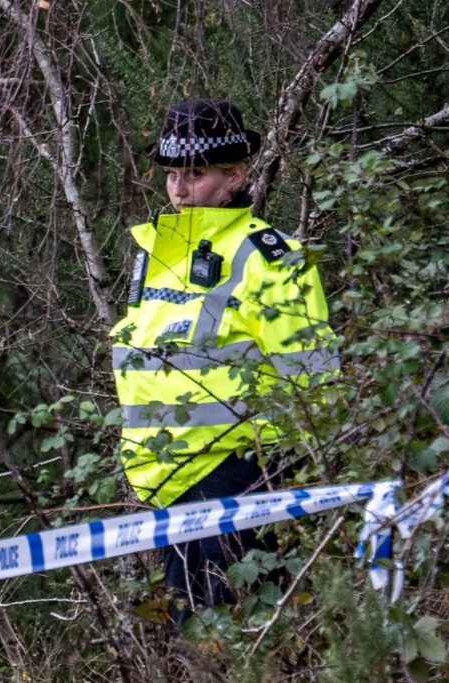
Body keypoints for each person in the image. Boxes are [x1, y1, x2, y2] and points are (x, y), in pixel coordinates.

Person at [109, 99, 339, 627]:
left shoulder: (271, 257)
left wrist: (273, 467)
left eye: (196, 173)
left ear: (236, 174)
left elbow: (314, 382)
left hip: (236, 476)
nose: (179, 188)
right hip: (163, 479)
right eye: (171, 174)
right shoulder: (153, 255)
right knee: (196, 639)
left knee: (234, 639)